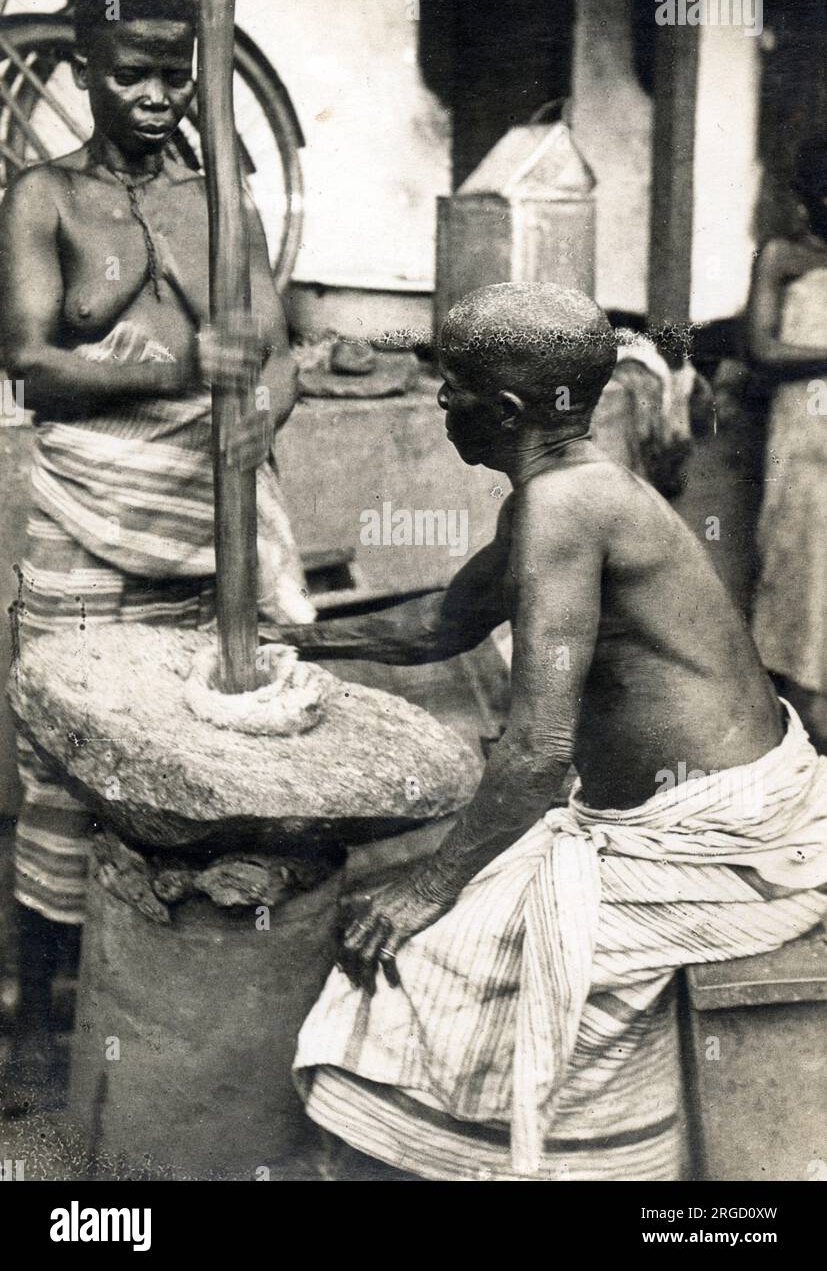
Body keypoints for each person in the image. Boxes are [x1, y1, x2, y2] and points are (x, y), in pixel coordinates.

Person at [274, 282, 827, 1181]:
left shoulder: (566, 507)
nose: (438, 399)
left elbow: (535, 754)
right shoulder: (569, 485)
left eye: (449, 385)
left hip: (716, 839)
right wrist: (291, 635)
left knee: (429, 960)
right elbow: (439, 627)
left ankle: (599, 1171)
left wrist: (427, 889)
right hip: (694, 807)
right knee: (452, 935)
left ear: (500, 410)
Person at [0, 0, 309, 1101]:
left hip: (204, 530)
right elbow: (29, 361)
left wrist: (253, 418)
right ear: (84, 68)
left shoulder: (224, 196)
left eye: (177, 75)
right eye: (131, 74)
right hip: (90, 525)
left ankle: (169, 1017)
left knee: (194, 763)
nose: (157, 95)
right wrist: (185, 370)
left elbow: (273, 355)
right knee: (65, 774)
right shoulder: (44, 199)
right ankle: (41, 1020)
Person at [748, 138, 827, 755]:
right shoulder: (782, 257)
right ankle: (797, 718)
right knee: (797, 563)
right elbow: (764, 350)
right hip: (802, 435)